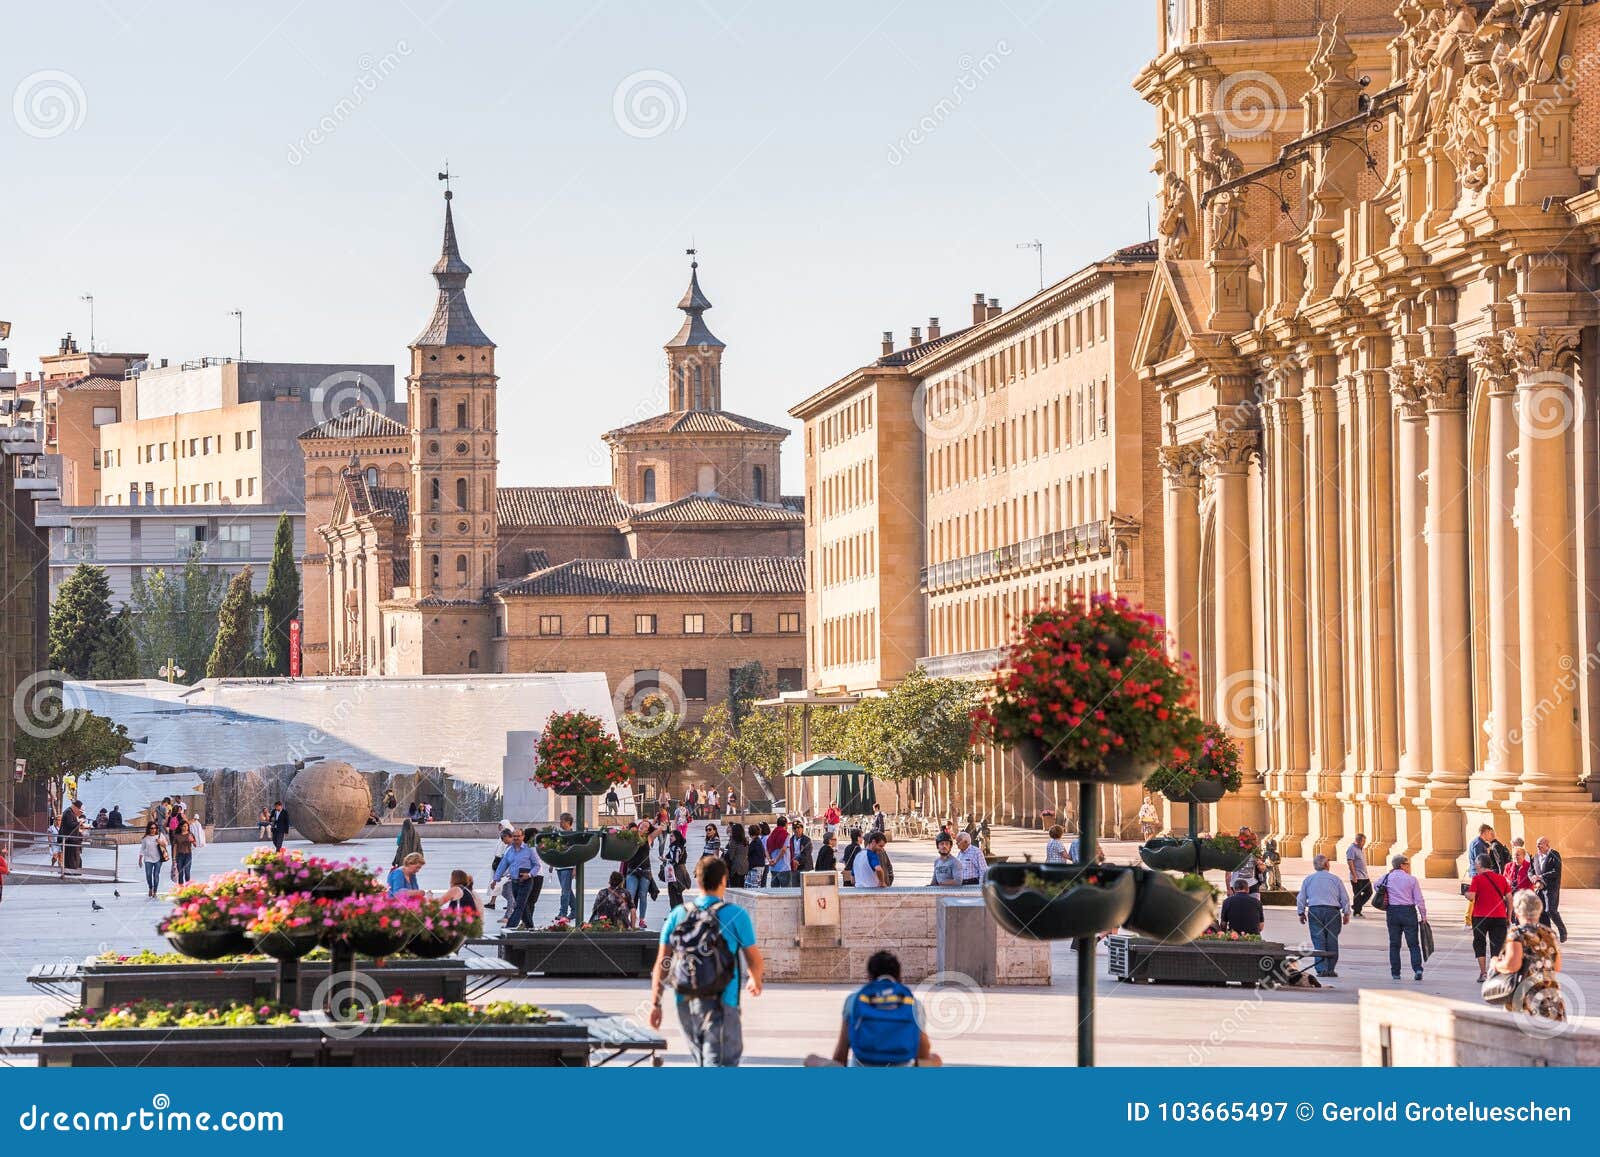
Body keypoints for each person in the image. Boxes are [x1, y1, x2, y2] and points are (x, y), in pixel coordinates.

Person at [650, 857, 763, 1067]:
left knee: (703, 1061)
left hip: (684, 1000)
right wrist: (755, 980)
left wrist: (656, 1004)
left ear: (698, 881)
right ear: (724, 880)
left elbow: (662, 963)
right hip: (722, 1001)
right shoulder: (735, 914)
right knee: (720, 1064)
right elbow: (754, 959)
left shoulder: (678, 915)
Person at [829, 950, 941, 1067]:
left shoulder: (854, 1000)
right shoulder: (913, 1003)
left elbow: (841, 1056)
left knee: (812, 1059)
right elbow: (923, 1054)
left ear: (870, 977)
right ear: (899, 978)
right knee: (936, 1059)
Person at [1490, 889, 1565, 1023]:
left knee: (1522, 1041)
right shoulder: (1550, 934)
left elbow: (1512, 965)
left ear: (1518, 912)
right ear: (1539, 910)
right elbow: (1557, 966)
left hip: (1525, 998)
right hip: (1550, 996)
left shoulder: (1517, 934)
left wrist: (1495, 963)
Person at [1295, 854, 1350, 977]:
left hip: (1314, 911)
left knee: (1318, 939)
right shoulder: (1335, 879)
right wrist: (1346, 913)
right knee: (1332, 939)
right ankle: (1330, 969)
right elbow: (1344, 898)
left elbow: (1301, 898)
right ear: (1326, 865)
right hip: (1332, 912)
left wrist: (1301, 912)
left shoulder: (1308, 879)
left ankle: (1321, 968)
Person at [1378, 853, 1427, 981]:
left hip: (1392, 912)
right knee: (1413, 944)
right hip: (1408, 911)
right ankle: (1417, 969)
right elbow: (1419, 900)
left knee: (1394, 944)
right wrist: (1423, 916)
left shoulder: (1387, 877)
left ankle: (1395, 973)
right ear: (1402, 865)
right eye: (1407, 864)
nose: (1409, 866)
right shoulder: (1411, 879)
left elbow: (1376, 885)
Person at [1466, 853, 1512, 982]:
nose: (1476, 868)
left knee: (1480, 943)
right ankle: (1495, 972)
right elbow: (1509, 898)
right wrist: (1508, 916)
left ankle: (1483, 973)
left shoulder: (1477, 879)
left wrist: (1466, 893)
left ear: (1480, 865)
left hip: (1480, 917)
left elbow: (1471, 896)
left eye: (1476, 865)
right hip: (1499, 916)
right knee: (1497, 945)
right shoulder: (1502, 879)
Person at [492, 828, 543, 929]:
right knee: (523, 907)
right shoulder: (509, 851)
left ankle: (510, 926)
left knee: (519, 905)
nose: (516, 838)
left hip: (526, 882)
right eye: (514, 836)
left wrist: (529, 875)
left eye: (518, 836)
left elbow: (537, 865)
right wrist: (495, 879)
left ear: (523, 837)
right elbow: (503, 865)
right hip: (514, 882)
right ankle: (530, 926)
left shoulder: (529, 850)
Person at [1533, 836, 1568, 942]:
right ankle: (1547, 935)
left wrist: (1542, 877)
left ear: (1547, 845)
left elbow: (1556, 871)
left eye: (1540, 844)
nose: (1537, 846)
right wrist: (1535, 879)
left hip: (1551, 888)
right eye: (1537, 844)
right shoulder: (1535, 857)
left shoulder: (1554, 855)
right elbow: (1531, 871)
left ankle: (1562, 931)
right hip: (1539, 888)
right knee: (1542, 912)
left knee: (1550, 910)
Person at [625, 821, 656, 928]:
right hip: (632, 870)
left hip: (645, 871)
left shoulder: (649, 838)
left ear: (648, 829)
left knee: (643, 895)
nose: (643, 825)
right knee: (630, 895)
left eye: (646, 825)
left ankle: (642, 919)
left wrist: (653, 825)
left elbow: (659, 830)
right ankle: (628, 918)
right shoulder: (632, 836)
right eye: (642, 824)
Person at [549, 812, 578, 920]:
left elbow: (576, 852)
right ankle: (575, 910)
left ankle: (563, 913)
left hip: (568, 867)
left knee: (565, 891)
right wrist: (552, 863)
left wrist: (575, 868)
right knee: (567, 890)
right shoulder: (559, 835)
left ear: (567, 822)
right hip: (560, 867)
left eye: (561, 821)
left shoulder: (573, 835)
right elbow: (556, 849)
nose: (560, 823)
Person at [137, 820, 168, 898]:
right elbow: (142, 849)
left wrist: (160, 842)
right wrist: (140, 859)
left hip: (158, 859)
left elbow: (166, 844)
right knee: (148, 875)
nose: (153, 830)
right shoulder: (145, 838)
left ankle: (155, 891)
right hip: (148, 859)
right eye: (151, 828)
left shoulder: (160, 836)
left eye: (155, 828)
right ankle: (150, 887)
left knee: (156, 875)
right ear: (148, 829)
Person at [663, 828, 691, 909]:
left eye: (672, 836)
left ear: (677, 837)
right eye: (670, 836)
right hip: (680, 871)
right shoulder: (678, 846)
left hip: (676, 873)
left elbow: (675, 860)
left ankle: (676, 915)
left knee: (673, 893)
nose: (670, 838)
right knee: (677, 894)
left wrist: (665, 860)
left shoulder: (676, 847)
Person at [1346, 833, 1371, 917]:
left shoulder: (1362, 849)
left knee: (1369, 892)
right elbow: (1350, 862)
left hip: (1365, 876)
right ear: (1358, 840)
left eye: (1364, 841)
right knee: (1358, 894)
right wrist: (1354, 875)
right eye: (1362, 841)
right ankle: (1357, 912)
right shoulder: (1351, 849)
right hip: (1357, 876)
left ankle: (1356, 906)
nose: (1364, 842)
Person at [170, 807, 197, 886]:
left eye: (187, 826)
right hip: (179, 855)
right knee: (180, 873)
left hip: (188, 855)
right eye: (184, 826)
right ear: (181, 827)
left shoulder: (190, 834)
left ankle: (188, 887)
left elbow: (195, 845)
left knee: (187, 872)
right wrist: (174, 859)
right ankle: (181, 889)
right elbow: (174, 847)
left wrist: (192, 840)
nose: (185, 828)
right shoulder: (177, 836)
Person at [766, 817, 794, 886]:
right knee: (786, 893)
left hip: (773, 868)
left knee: (775, 893)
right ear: (786, 824)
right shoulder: (786, 834)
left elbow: (766, 850)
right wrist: (776, 860)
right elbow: (784, 849)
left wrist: (770, 860)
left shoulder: (771, 835)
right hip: (784, 867)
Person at [59, 800, 83, 872]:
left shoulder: (69, 811)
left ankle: (74, 871)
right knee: (71, 857)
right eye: (78, 809)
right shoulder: (69, 812)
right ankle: (72, 872)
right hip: (69, 839)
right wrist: (79, 822)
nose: (79, 811)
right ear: (75, 807)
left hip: (71, 839)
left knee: (73, 857)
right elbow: (70, 824)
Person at [745, 821, 769, 887]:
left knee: (754, 886)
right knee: (750, 885)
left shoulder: (755, 842)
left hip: (756, 867)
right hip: (756, 866)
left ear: (751, 833)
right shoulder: (758, 840)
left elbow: (748, 852)